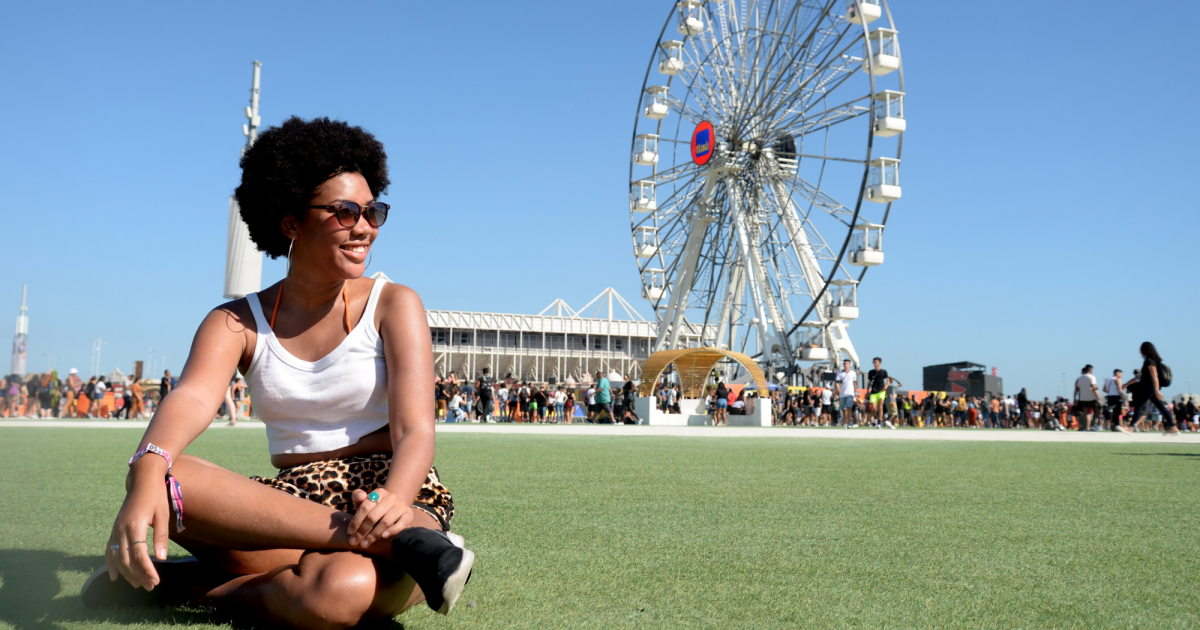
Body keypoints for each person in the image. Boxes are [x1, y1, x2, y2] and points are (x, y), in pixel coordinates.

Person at [83, 117, 474, 624]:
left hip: (391, 486)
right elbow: (193, 399)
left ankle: (190, 585)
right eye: (345, 212)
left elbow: (416, 428)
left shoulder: (394, 304)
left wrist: (392, 504)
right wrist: (146, 470)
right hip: (292, 501)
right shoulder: (235, 322)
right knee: (168, 475)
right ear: (290, 222)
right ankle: (405, 548)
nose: (364, 227)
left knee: (341, 590)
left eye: (373, 211)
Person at [1118, 341, 1177, 436]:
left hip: (1150, 388)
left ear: (1144, 349)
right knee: (1161, 407)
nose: (1139, 350)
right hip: (1151, 388)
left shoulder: (1149, 361)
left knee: (1139, 406)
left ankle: (1130, 427)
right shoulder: (1151, 361)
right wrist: (1126, 384)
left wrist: (1157, 390)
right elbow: (1138, 378)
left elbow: (1155, 376)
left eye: (1140, 348)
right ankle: (1174, 427)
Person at [866, 357, 900, 430]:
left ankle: (879, 422)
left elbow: (888, 381)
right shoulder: (871, 372)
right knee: (874, 408)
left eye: (875, 362)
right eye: (873, 362)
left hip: (881, 391)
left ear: (879, 363)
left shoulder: (884, 371)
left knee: (881, 407)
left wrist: (886, 386)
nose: (874, 363)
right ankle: (875, 418)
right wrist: (867, 391)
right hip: (873, 392)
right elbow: (869, 382)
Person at [1072, 365, 1101, 431]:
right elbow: (1094, 388)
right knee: (1094, 412)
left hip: (1082, 397)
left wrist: (1074, 399)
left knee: (1085, 413)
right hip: (1091, 397)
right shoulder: (1092, 377)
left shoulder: (1079, 378)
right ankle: (1091, 426)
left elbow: (1076, 390)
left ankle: (1085, 427)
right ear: (1090, 370)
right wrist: (1098, 398)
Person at [835, 360, 857, 428]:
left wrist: (855, 393)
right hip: (842, 393)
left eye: (847, 364)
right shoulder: (840, 373)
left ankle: (849, 422)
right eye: (844, 364)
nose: (845, 365)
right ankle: (846, 422)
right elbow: (837, 382)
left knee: (849, 407)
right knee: (844, 409)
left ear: (850, 365)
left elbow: (855, 383)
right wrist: (838, 388)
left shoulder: (853, 373)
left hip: (850, 392)